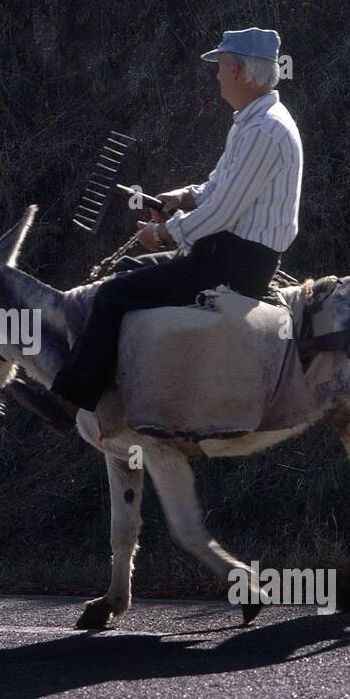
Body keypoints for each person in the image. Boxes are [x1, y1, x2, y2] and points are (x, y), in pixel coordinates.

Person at [50, 27, 304, 414]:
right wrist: (184, 196)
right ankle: (118, 386)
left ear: (236, 70)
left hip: (235, 265)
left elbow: (223, 212)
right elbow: (219, 188)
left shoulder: (264, 130)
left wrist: (167, 232)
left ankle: (67, 404)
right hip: (223, 254)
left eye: (219, 67)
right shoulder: (253, 122)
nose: (217, 76)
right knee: (125, 270)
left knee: (112, 294)